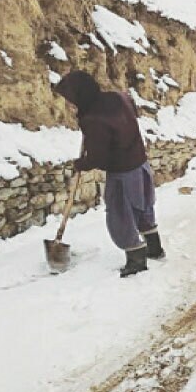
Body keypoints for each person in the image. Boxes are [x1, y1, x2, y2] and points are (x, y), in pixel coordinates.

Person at [54, 71, 164, 278]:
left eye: (70, 98)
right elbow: (129, 111)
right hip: (140, 164)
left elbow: (99, 158)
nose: (69, 104)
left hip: (122, 173)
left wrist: (81, 164)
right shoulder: (117, 98)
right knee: (143, 207)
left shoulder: (93, 119)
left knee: (121, 215)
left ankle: (136, 259)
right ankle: (154, 248)